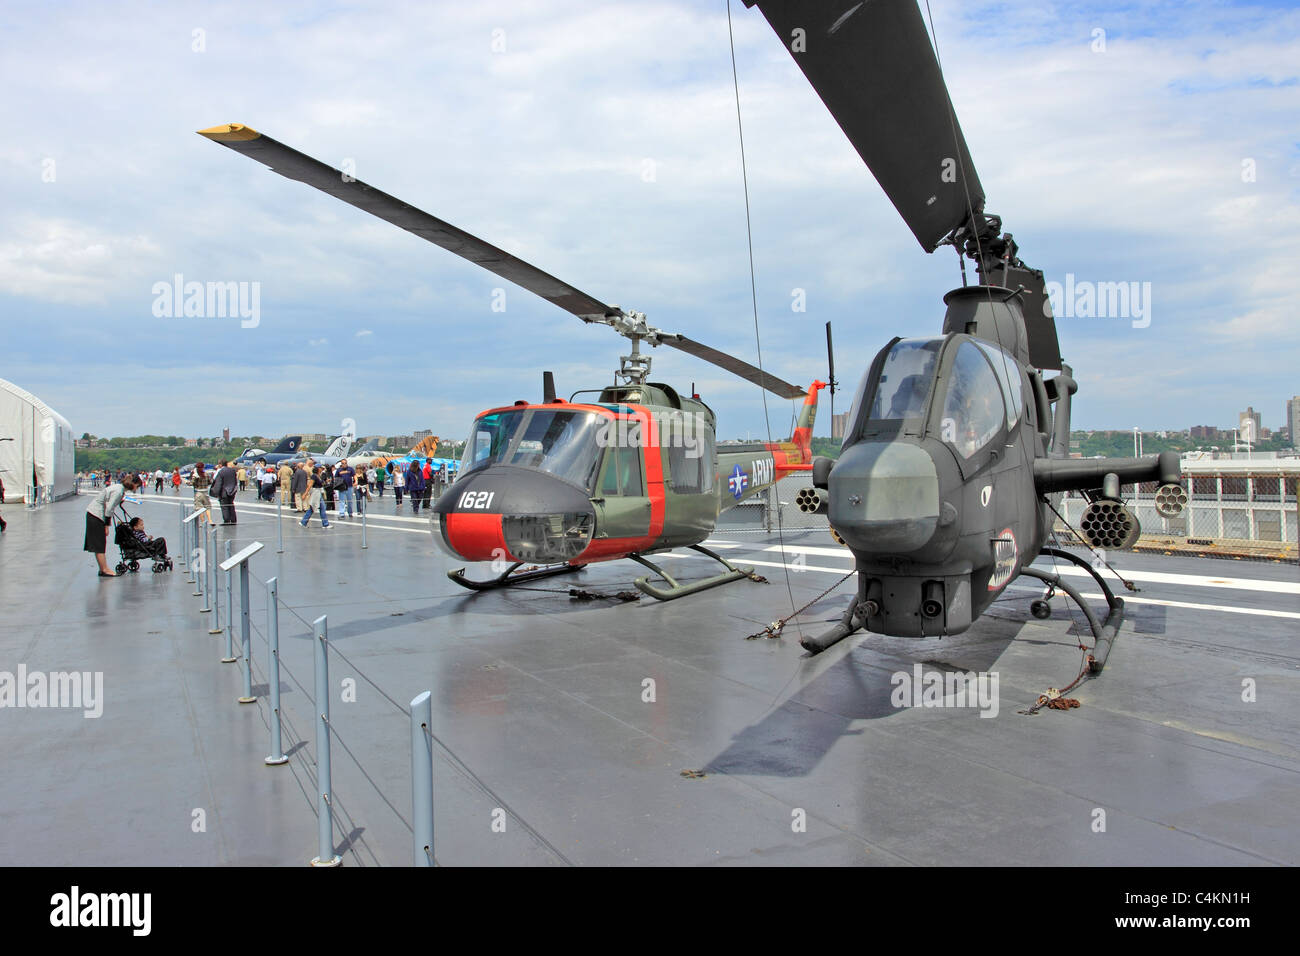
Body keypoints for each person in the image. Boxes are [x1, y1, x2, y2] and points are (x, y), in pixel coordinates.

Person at [85, 475, 139, 576]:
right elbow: (109, 508)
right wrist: (106, 526)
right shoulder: (119, 491)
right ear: (133, 484)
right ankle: (105, 569)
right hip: (96, 515)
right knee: (99, 543)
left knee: (99, 543)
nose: (137, 488)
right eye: (137, 485)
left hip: (94, 513)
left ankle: (103, 568)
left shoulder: (119, 488)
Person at [212, 459, 239, 525]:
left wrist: (216, 493)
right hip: (232, 490)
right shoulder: (232, 470)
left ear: (220, 464)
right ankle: (233, 520)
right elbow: (235, 481)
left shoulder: (221, 472)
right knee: (231, 505)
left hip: (224, 491)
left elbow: (219, 483)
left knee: (224, 506)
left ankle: (226, 520)